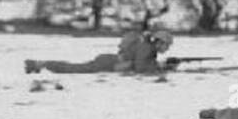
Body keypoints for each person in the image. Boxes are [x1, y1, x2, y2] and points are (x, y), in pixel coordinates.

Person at [24, 27, 174, 75]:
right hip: (107, 63)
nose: (167, 49)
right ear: (159, 42)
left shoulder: (146, 46)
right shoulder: (146, 48)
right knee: (74, 69)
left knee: (75, 67)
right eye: (166, 45)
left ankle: (40, 64)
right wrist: (160, 69)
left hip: (108, 61)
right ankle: (40, 64)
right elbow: (141, 68)